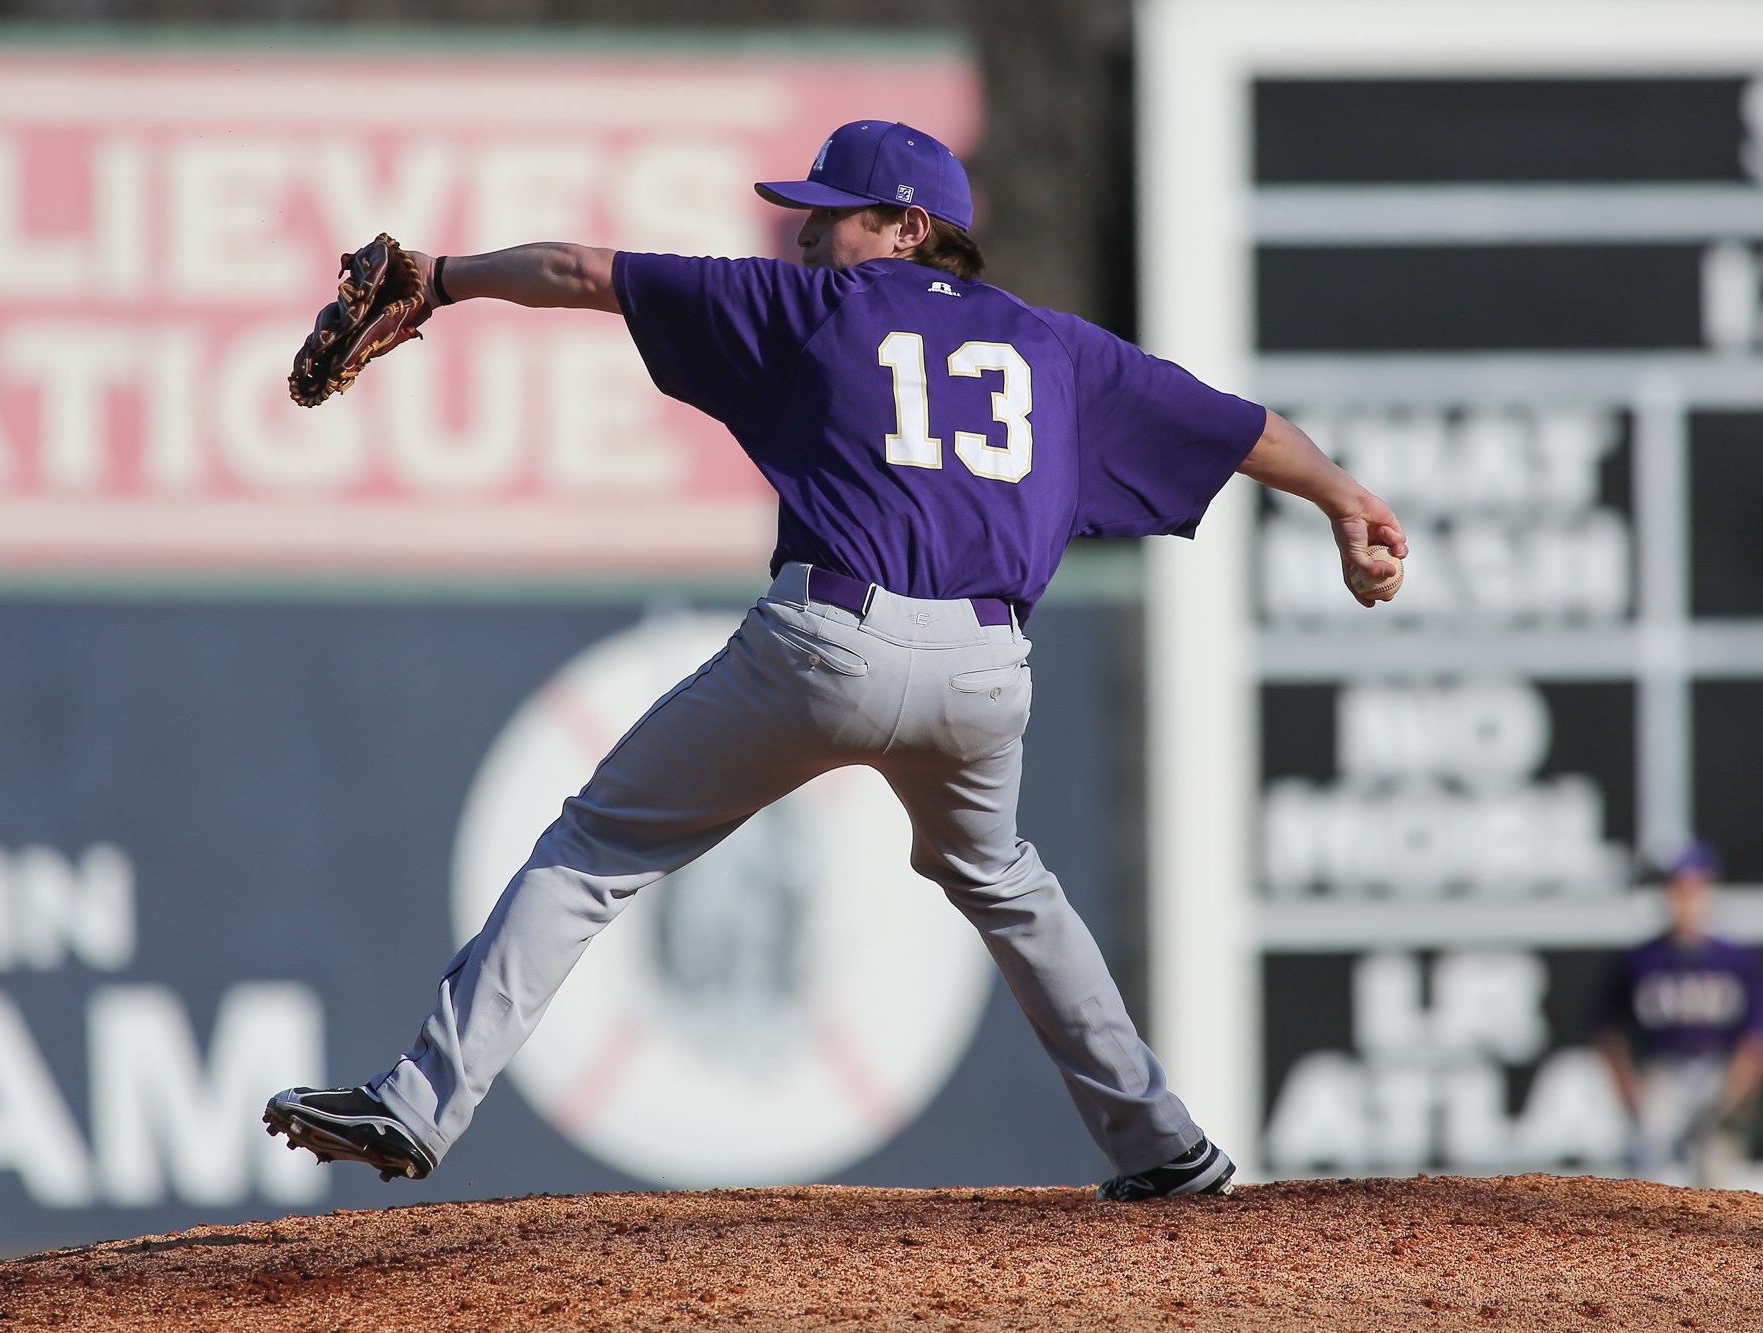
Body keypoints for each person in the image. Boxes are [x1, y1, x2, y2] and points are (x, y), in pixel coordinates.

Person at [263, 120, 1408, 1200]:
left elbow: (579, 269)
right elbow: (1241, 427)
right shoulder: (1057, 346)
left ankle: (417, 1104)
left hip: (825, 646)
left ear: (908, 226)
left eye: (831, 214)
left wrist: (443, 275)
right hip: (983, 673)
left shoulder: (812, 307)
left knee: (592, 848)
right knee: (1007, 885)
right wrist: (1344, 498)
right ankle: (1164, 1147)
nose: (806, 234)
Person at [1595, 838, 1763, 1187]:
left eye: (1694, 887)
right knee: (1656, 1181)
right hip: (1664, 1077)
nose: (1686, 899)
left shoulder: (1735, 960)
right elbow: (1607, 1031)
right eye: (1677, 888)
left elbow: (1753, 1039)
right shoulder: (1641, 959)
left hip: (1718, 1075)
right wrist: (1631, 1092)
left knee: (1720, 1181)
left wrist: (1733, 1096)